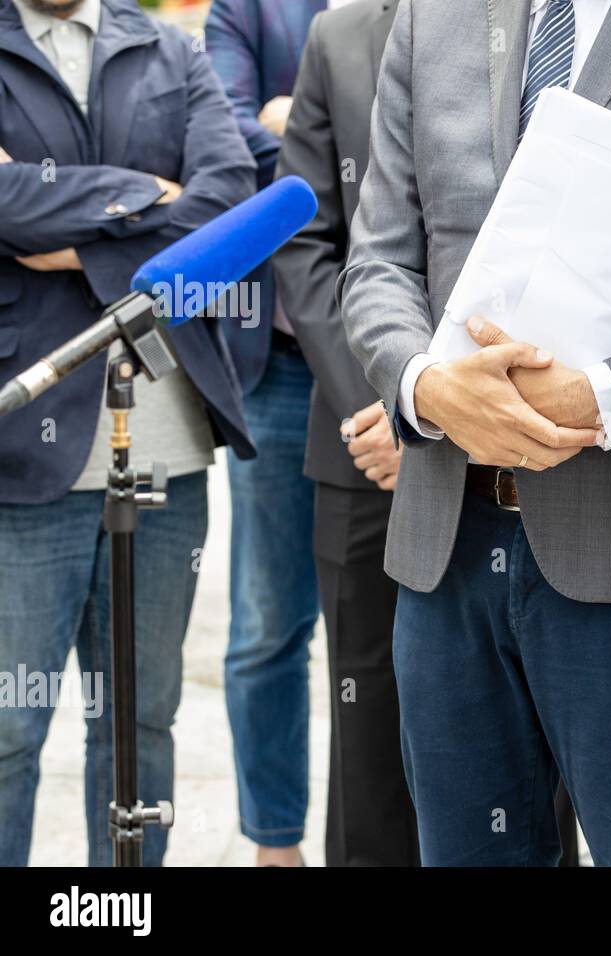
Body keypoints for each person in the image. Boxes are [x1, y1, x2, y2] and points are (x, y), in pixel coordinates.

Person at [339, 0, 611, 865]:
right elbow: (380, 259)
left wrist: (605, 395)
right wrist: (425, 385)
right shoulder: (432, 20)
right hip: (447, 554)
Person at [0, 0, 255, 866]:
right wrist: (150, 197)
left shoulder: (172, 51)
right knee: (7, 730)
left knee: (142, 724)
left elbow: (229, 204)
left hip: (168, 450)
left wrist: (65, 238)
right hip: (22, 451)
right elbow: (4, 206)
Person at [272, 0, 419, 866]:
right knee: (367, 723)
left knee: (525, 726)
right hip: (361, 447)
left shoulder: (540, 26)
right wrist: (387, 403)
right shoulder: (338, 37)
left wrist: (443, 415)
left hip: (518, 454)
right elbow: (305, 243)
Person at [203, 0, 329, 868]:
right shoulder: (242, 9)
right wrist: (336, 128)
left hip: (416, 368)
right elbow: (225, 141)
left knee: (419, 627)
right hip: (280, 367)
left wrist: (293, 116)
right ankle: (274, 848)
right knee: (266, 628)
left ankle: (395, 838)